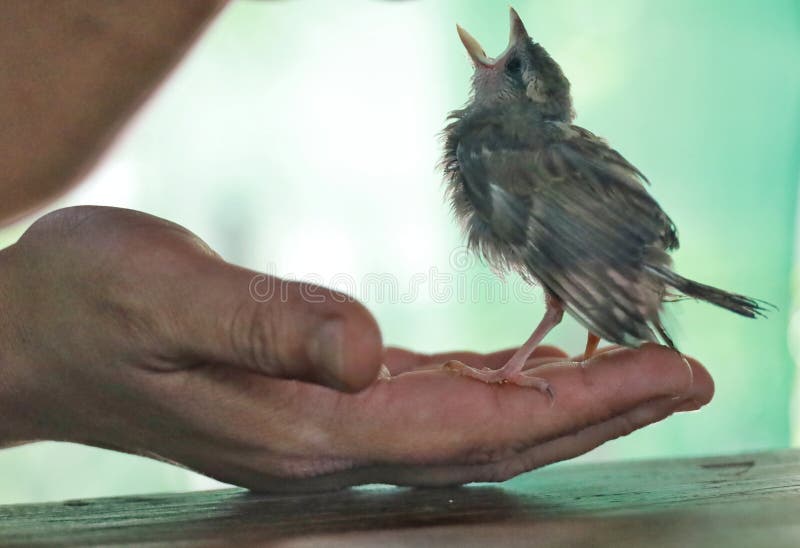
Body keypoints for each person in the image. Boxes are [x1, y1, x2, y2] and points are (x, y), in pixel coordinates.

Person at [0, 1, 712, 492]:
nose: (503, 58)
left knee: (566, 297)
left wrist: (602, 289)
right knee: (570, 301)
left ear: (523, 95)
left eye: (514, 67)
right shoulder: (520, 141)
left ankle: (544, 357)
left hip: (598, 254)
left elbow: (555, 234)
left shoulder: (488, 141)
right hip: (607, 251)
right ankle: (572, 347)